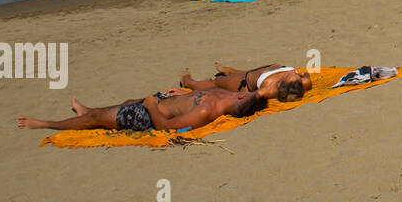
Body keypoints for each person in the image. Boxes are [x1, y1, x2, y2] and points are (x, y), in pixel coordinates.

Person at [17, 87, 266, 133]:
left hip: (148, 115)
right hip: (158, 102)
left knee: (98, 119)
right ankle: (87, 109)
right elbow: (202, 93)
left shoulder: (206, 113)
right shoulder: (225, 97)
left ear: (241, 97)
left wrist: (150, 106)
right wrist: (185, 94)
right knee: (125, 102)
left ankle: (46, 123)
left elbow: (165, 127)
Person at [179, 63, 312, 102]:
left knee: (216, 82)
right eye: (294, 74)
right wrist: (301, 75)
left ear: (281, 84)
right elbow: (307, 76)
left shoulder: (270, 88)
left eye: (289, 76)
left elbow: (251, 97)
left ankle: (188, 82)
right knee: (248, 72)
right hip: (258, 72)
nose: (291, 72)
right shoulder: (303, 83)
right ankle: (231, 71)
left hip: (243, 83)